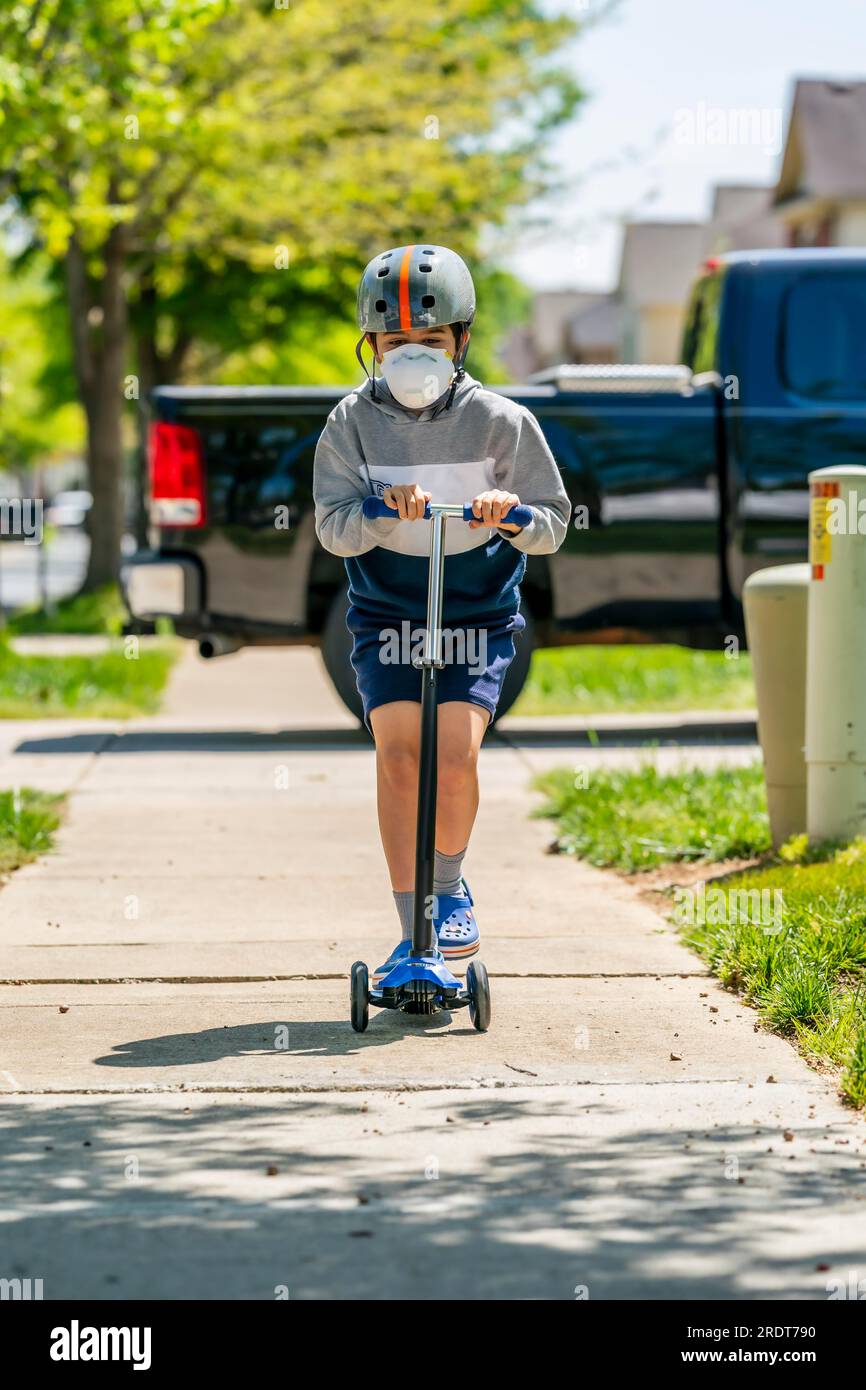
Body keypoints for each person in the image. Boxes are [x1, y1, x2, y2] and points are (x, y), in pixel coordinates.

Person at [314, 243, 570, 983]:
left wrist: (509, 512)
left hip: (476, 612)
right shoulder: (350, 424)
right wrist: (375, 508)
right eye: (395, 344)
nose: (412, 357)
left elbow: (553, 523)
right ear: (371, 347)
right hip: (389, 611)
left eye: (429, 342)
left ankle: (449, 889)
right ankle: (412, 934)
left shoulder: (502, 421)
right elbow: (332, 528)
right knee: (398, 759)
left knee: (453, 757)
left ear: (460, 341)